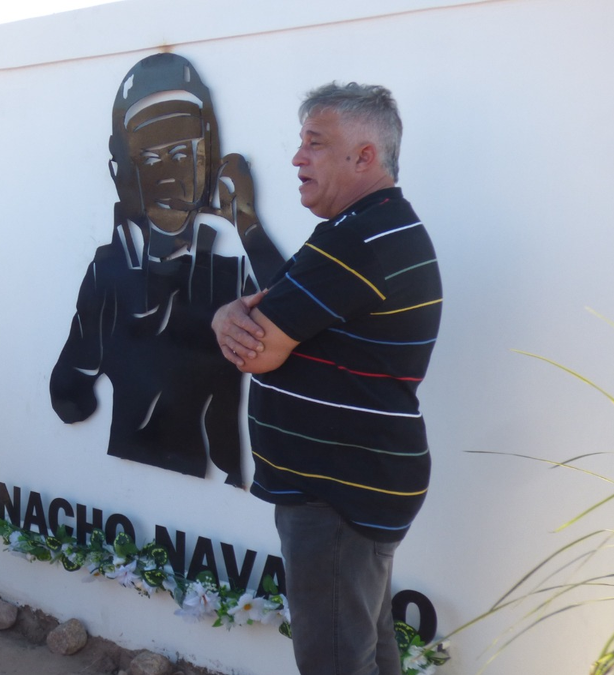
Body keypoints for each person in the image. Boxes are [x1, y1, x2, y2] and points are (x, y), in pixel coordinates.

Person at [211, 83, 442, 675]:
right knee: (366, 649)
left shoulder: (356, 240)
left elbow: (257, 351)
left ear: (364, 156)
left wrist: (227, 321)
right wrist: (232, 314)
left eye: (314, 143)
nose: (297, 158)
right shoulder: (372, 228)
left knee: (335, 661)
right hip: (355, 482)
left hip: (337, 493)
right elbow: (280, 306)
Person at [50, 53, 283, 485]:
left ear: (208, 158)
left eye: (179, 154)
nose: (171, 177)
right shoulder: (110, 271)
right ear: (124, 173)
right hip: (141, 476)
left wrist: (248, 225)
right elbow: (68, 400)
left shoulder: (232, 266)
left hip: (223, 481)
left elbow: (296, 320)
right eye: (151, 161)